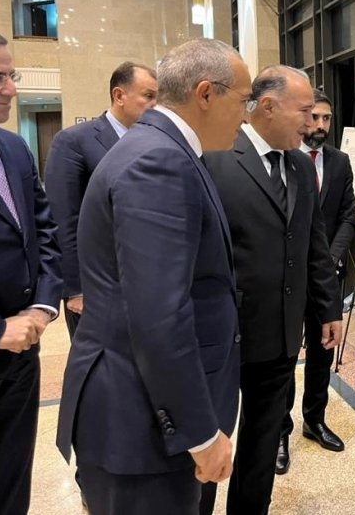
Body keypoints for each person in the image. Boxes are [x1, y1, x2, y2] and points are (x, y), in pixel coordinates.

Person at [56, 38, 251, 515]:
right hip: (140, 421)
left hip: (145, 412)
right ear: (206, 94)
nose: (245, 117)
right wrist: (200, 434)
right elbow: (159, 315)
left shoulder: (164, 149)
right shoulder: (159, 160)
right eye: (243, 101)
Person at [203, 65, 342, 514]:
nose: (312, 122)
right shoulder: (215, 156)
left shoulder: (299, 165)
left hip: (281, 331)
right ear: (267, 106)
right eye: (304, 112)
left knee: (262, 441)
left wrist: (328, 308)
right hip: (222, 333)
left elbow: (313, 244)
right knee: (209, 442)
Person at [0, 27, 62, 514]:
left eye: (10, 75)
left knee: (10, 483)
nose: (12, 88)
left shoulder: (13, 149)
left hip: (21, 354)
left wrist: (41, 306)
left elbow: (44, 231)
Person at [45, 61, 157, 338]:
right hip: (97, 284)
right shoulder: (75, 141)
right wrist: (75, 289)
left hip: (144, 279)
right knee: (98, 359)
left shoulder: (154, 142)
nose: (155, 104)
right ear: (119, 95)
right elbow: (63, 219)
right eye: (148, 96)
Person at [278, 89, 355, 474]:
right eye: (315, 118)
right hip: (289, 277)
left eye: (327, 119)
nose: (321, 126)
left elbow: (347, 216)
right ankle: (280, 431)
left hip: (327, 276)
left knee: (323, 350)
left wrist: (330, 258)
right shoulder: (285, 160)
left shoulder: (340, 162)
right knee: (285, 353)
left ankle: (315, 420)